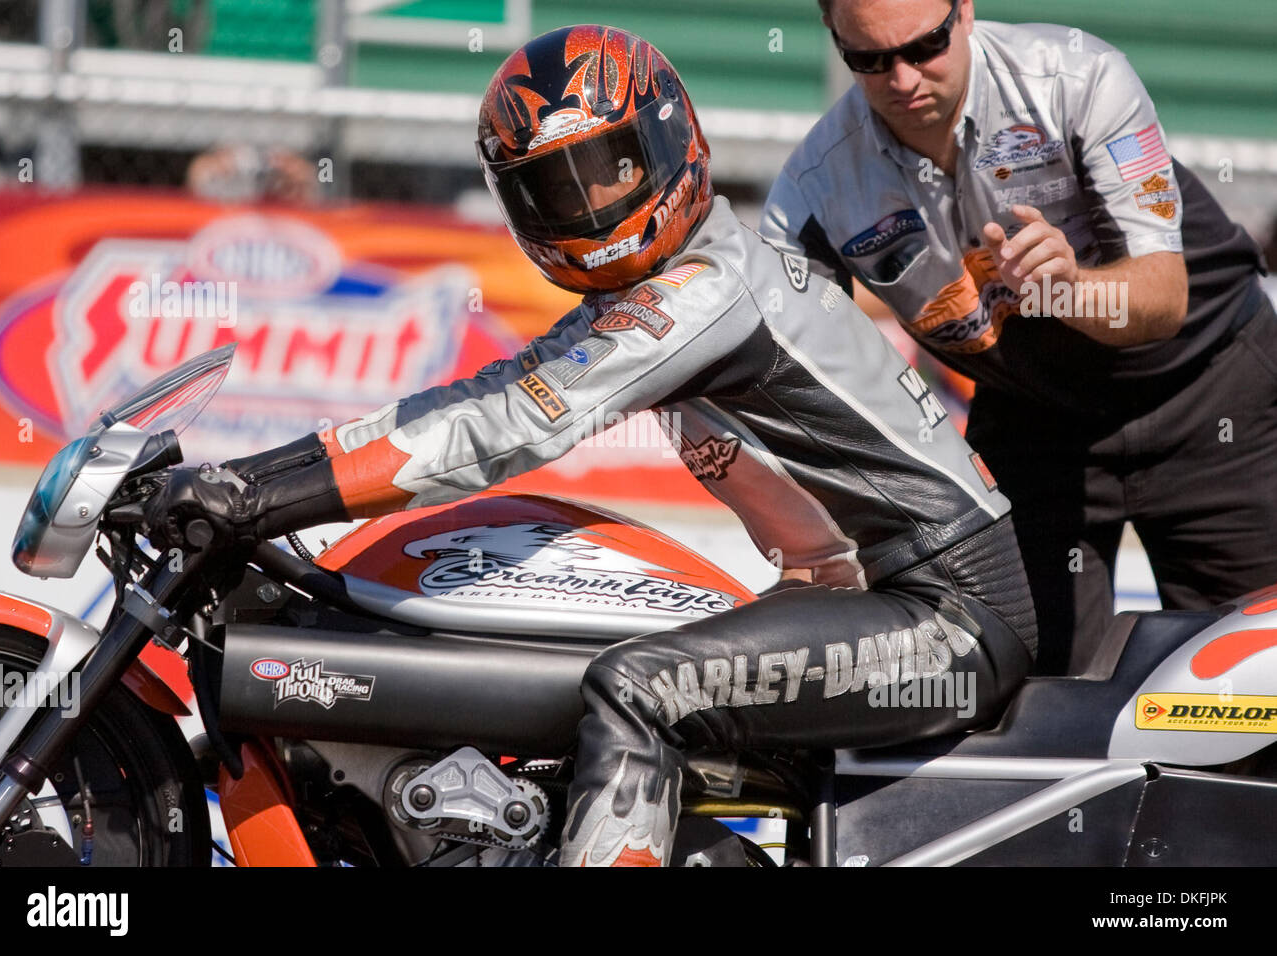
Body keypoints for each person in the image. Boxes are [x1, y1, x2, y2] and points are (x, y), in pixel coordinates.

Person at [142, 25, 1037, 867]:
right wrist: (255, 476)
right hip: (876, 595)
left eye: (609, 169)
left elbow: (511, 424)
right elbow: (476, 398)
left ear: (666, 143)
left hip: (948, 617)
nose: (589, 205)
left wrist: (258, 497)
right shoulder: (669, 291)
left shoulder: (703, 294)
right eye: (555, 188)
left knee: (641, 689)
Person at [761, 0, 1277, 676]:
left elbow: (1165, 296)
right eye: (870, 60)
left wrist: (1069, 289)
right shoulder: (812, 191)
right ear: (836, 42)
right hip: (1033, 420)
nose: (905, 79)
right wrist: (805, 539)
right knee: (1021, 687)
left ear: (965, 11)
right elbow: (783, 377)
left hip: (1210, 397)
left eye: (926, 47)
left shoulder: (1079, 77)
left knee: (1254, 689)